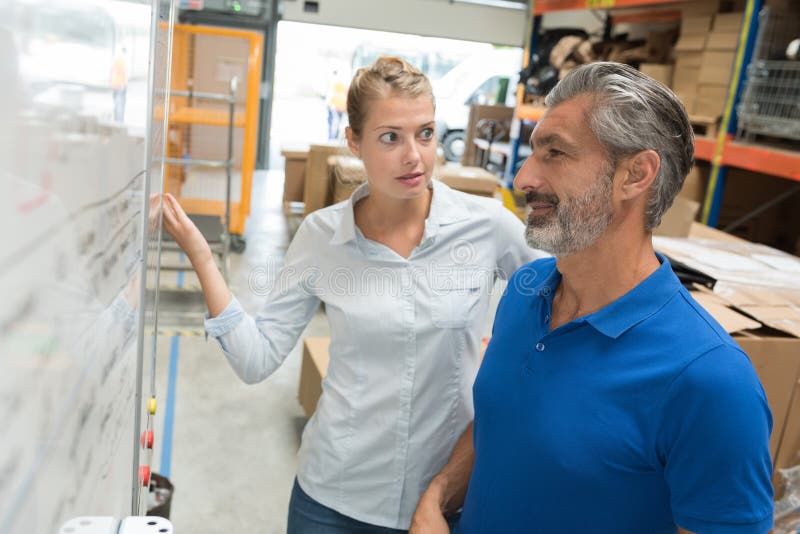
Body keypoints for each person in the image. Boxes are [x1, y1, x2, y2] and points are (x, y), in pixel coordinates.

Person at [160, 56, 544, 533]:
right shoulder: (323, 236)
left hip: (443, 505)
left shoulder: (487, 227)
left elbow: (567, 300)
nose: (414, 155)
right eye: (390, 137)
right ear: (354, 142)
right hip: (331, 501)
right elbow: (255, 359)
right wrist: (201, 254)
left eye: (425, 133)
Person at [410, 62, 774, 534]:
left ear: (635, 175)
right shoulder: (524, 292)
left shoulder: (710, 380)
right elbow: (501, 421)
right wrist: (437, 497)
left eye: (555, 153)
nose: (523, 178)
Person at [326, 69, 348, 140]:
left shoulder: (334, 83)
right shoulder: (341, 84)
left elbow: (331, 95)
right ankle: (334, 137)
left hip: (336, 106)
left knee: (334, 123)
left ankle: (333, 138)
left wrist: (330, 104)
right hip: (339, 106)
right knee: (336, 123)